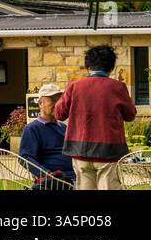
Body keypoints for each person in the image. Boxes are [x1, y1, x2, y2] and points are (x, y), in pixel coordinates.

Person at [55, 44, 136, 190]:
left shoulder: (73, 86)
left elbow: (59, 114)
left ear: (88, 66)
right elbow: (130, 115)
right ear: (111, 67)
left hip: (79, 150)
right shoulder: (118, 87)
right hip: (109, 151)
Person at [18, 83, 75, 186]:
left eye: (59, 100)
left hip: (76, 176)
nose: (57, 103)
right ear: (40, 103)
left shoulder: (63, 127)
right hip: (57, 182)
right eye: (53, 100)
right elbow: (24, 158)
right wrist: (49, 175)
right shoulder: (32, 129)